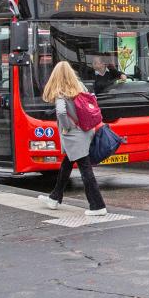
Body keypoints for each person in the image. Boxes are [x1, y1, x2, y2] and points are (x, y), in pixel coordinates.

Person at [36, 61, 107, 216]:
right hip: (86, 131)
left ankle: (98, 206)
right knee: (66, 166)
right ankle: (54, 198)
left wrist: (66, 126)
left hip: (74, 135)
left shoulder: (61, 91)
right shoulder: (80, 86)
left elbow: (61, 112)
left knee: (86, 171)